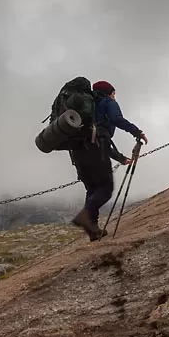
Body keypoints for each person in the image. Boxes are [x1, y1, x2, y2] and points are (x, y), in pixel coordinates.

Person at [69, 80, 147, 241]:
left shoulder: (87, 109)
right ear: (109, 93)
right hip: (96, 148)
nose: (114, 96)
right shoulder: (106, 102)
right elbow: (116, 120)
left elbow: (96, 136)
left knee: (92, 188)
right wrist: (137, 132)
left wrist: (120, 158)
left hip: (77, 152)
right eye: (114, 93)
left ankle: (93, 230)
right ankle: (85, 217)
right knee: (105, 187)